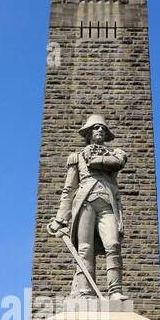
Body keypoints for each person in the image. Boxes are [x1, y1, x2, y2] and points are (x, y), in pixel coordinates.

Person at [47, 113, 127, 299]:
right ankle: (85, 292)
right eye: (96, 127)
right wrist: (61, 218)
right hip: (85, 202)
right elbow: (68, 190)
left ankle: (115, 291)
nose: (99, 130)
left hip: (107, 203)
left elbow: (117, 163)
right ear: (88, 133)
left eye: (103, 128)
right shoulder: (76, 157)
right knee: (85, 248)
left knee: (113, 245)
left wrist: (97, 160)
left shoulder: (116, 154)